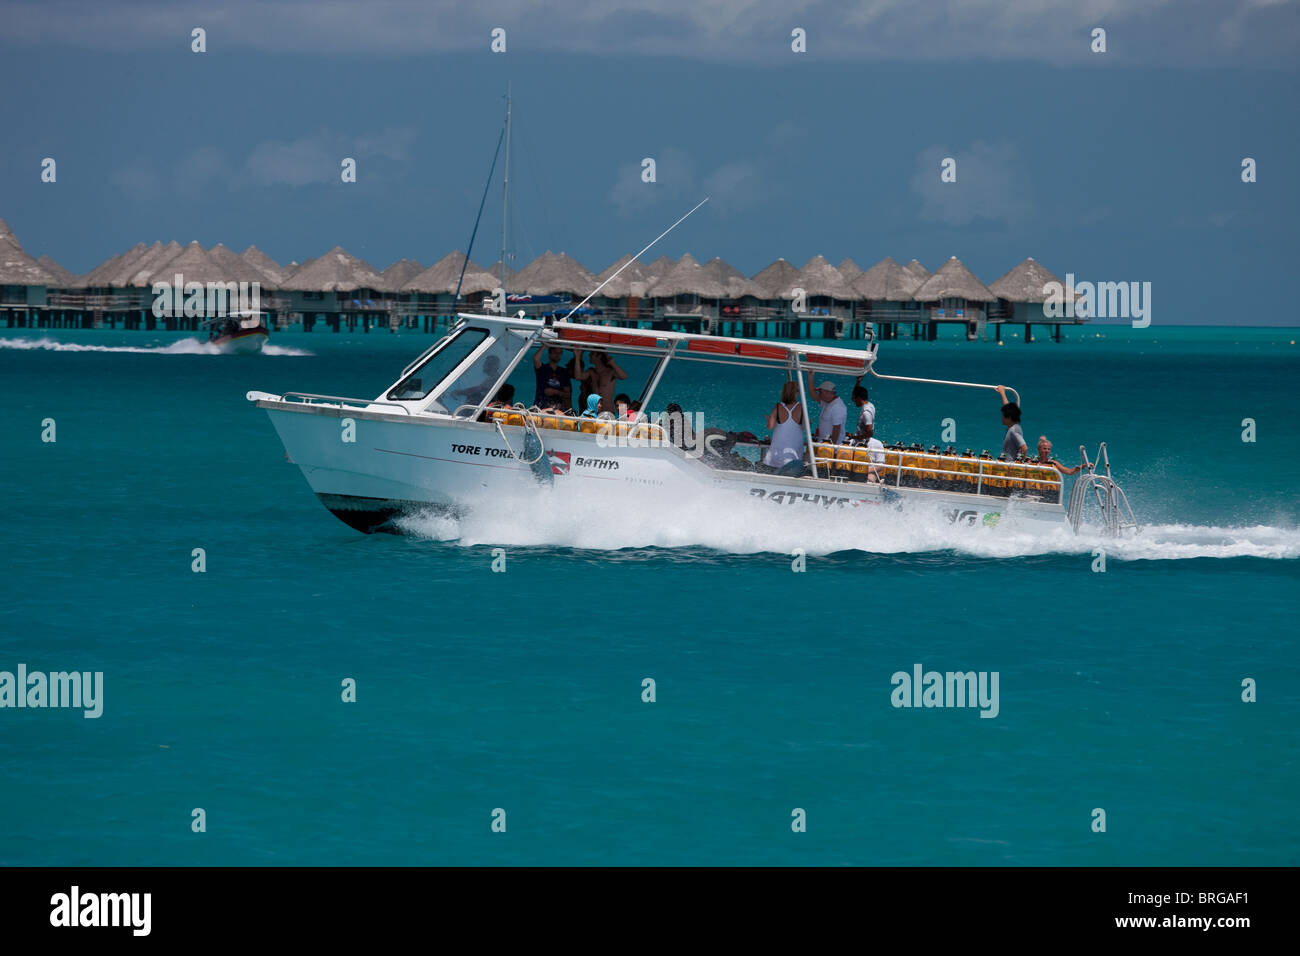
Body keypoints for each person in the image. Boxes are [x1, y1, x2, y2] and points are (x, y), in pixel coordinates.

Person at [764, 381, 806, 468]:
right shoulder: (801, 407)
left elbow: (770, 426)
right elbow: (804, 427)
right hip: (793, 456)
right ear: (796, 392)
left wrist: (769, 420)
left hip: (775, 455)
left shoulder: (778, 407)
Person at [807, 373, 847, 443]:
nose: (819, 394)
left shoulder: (837, 407)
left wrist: (831, 448)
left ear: (826, 392)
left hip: (830, 449)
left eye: (820, 392)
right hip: (824, 446)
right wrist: (810, 376)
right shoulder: (827, 402)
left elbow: (836, 429)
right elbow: (813, 395)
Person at [995, 385, 1028, 460]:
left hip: (1010, 466)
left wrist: (1020, 462)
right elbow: (1007, 408)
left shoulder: (1013, 430)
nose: (1001, 418)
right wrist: (1002, 393)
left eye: (1003, 416)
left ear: (1009, 418)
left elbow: (1024, 448)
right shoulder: (1013, 426)